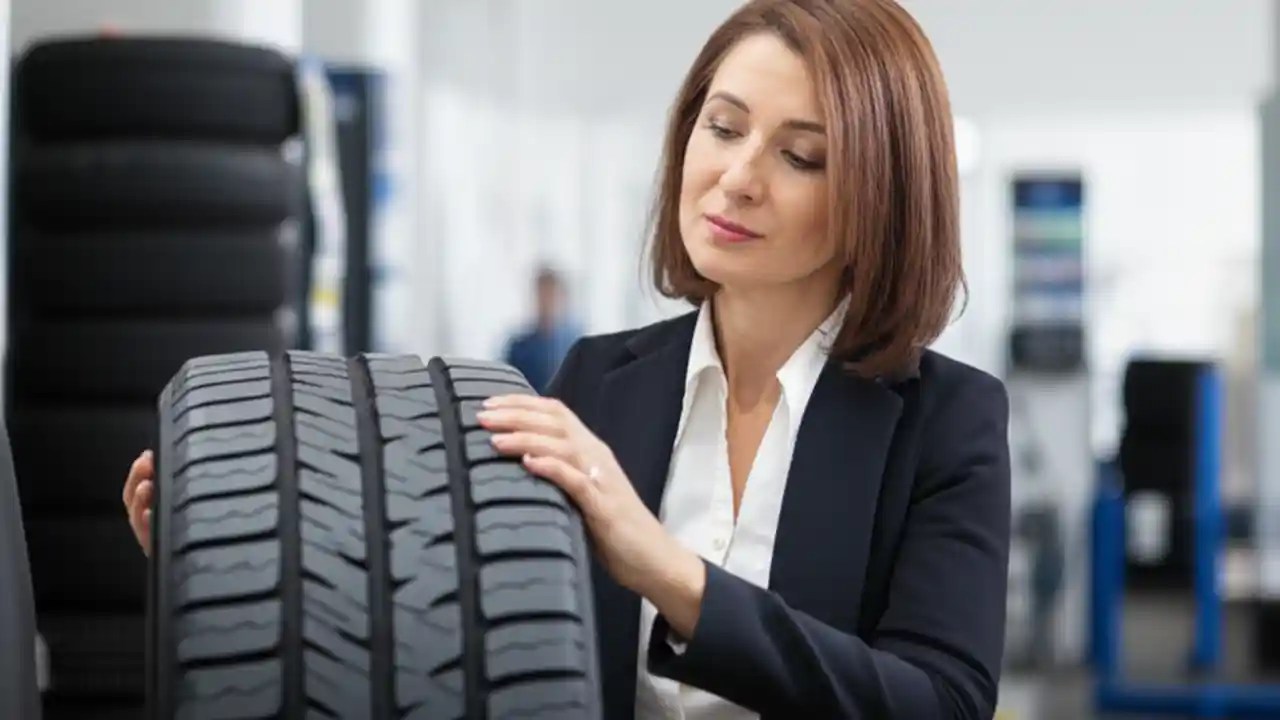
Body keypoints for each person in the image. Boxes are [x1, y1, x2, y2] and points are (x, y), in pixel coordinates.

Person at [124, 1, 1011, 717]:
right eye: (723, 127)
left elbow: (941, 701)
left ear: (880, 197)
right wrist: (242, 562)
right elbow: (468, 635)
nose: (739, 176)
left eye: (800, 155)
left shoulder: (947, 420)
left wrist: (670, 574)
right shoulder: (596, 381)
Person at [502, 266, 582, 392]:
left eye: (551, 295)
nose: (546, 302)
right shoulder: (519, 348)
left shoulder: (575, 347)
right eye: (542, 295)